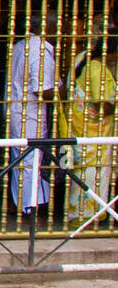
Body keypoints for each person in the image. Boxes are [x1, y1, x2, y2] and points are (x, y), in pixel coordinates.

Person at [61, 35, 116, 224]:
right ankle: (89, 217)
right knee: (93, 174)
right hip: (95, 134)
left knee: (80, 172)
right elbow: (103, 105)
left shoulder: (80, 59)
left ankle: (76, 214)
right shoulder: (97, 68)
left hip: (79, 128)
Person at [9, 15, 57, 214]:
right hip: (30, 113)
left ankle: (20, 202)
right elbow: (41, 89)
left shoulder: (22, 44)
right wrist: (64, 93)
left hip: (18, 109)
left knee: (20, 157)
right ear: (46, 26)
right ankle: (30, 207)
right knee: (31, 158)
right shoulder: (39, 50)